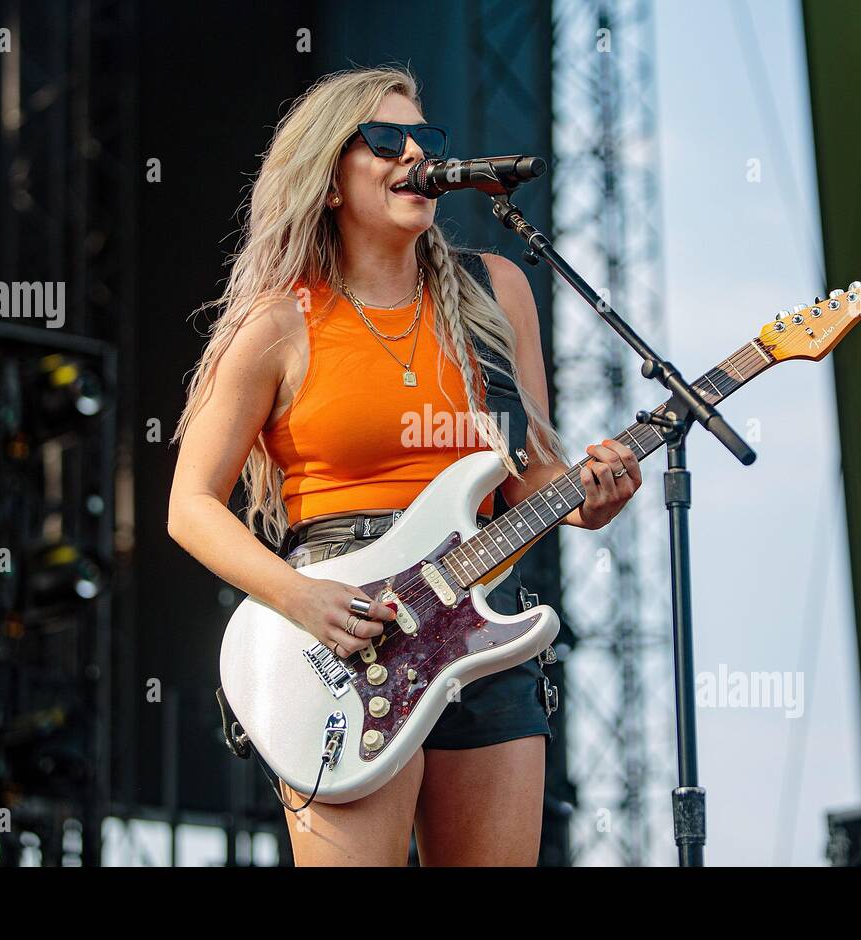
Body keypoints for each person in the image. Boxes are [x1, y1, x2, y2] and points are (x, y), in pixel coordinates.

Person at [168, 65, 640, 865]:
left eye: (428, 140)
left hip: (485, 626)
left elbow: (532, 479)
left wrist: (592, 497)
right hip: (346, 637)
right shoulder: (280, 321)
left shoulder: (497, 293)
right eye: (387, 141)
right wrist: (302, 598)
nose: (416, 154)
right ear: (326, 179)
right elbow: (189, 505)